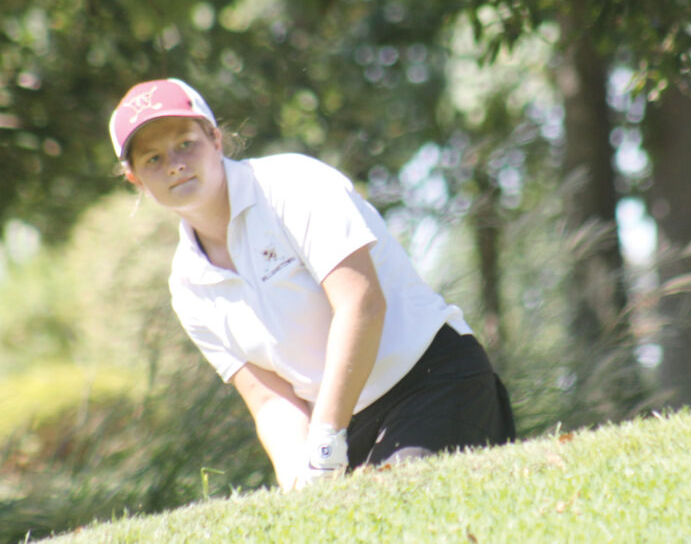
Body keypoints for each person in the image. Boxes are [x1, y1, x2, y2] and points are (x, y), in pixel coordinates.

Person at [108, 78, 514, 490]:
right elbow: (270, 401)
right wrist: (300, 484)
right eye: (153, 159)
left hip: (430, 381)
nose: (174, 164)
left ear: (214, 139)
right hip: (341, 427)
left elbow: (361, 305)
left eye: (185, 143)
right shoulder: (188, 286)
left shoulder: (291, 185)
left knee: (400, 508)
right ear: (134, 178)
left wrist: (324, 442)